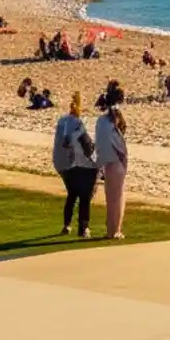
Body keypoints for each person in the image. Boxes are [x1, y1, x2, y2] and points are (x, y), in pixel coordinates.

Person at [52, 92, 99, 238]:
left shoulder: (62, 122)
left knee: (72, 193)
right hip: (73, 164)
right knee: (85, 195)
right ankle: (83, 228)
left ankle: (67, 225)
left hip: (61, 164)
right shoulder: (78, 125)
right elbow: (87, 145)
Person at [95, 101, 129, 240]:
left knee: (111, 198)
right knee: (117, 197)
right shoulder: (113, 127)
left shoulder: (101, 122)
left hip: (107, 164)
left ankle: (111, 230)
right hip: (116, 164)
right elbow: (122, 150)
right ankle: (115, 230)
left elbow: (98, 145)